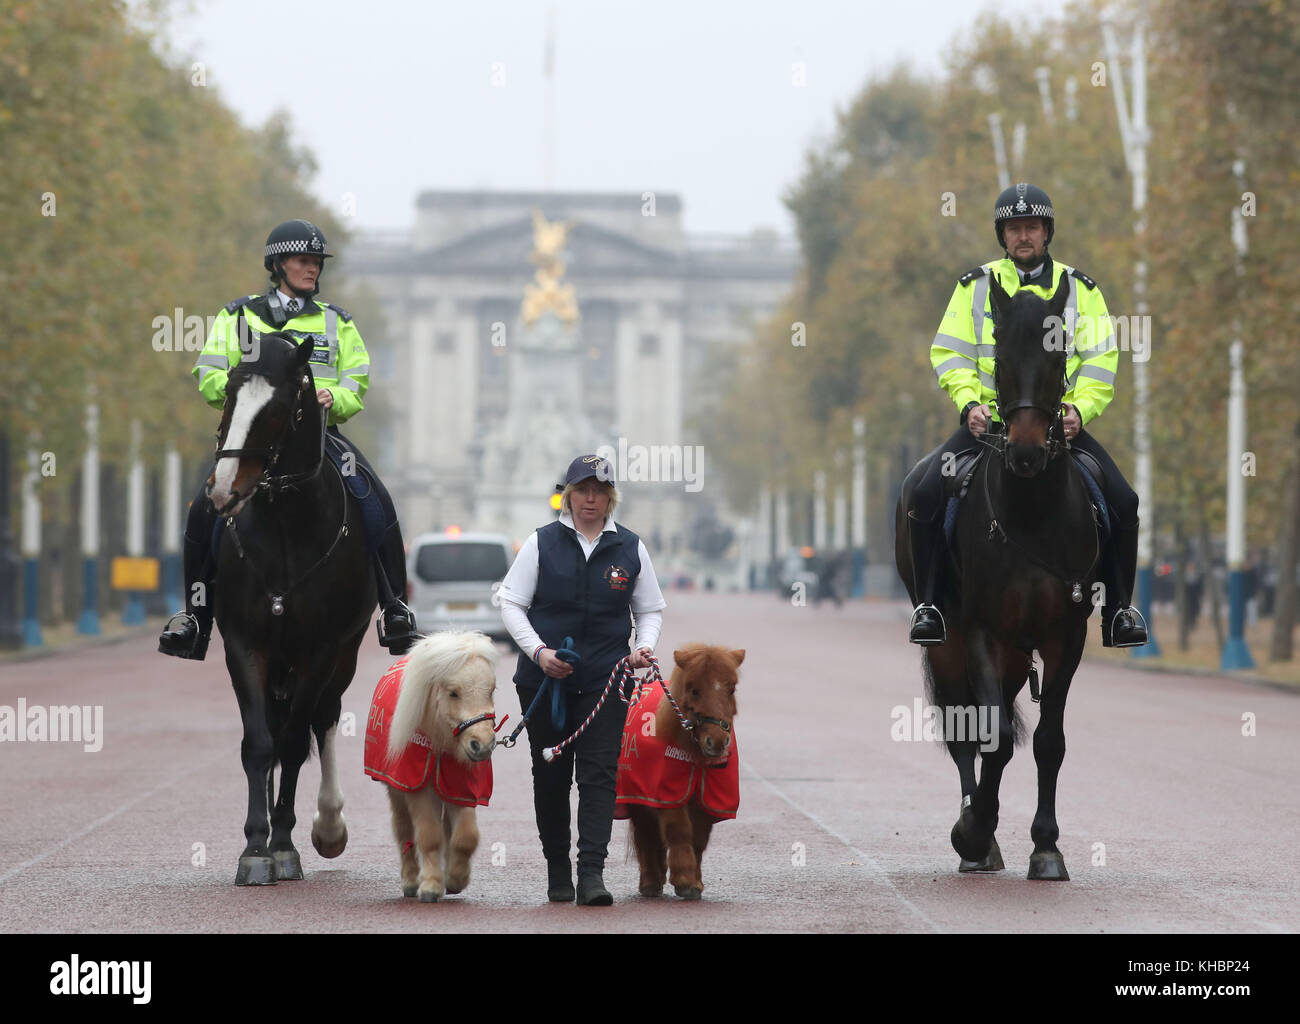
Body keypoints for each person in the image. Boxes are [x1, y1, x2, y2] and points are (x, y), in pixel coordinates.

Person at [158, 219, 416, 661]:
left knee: (375, 499)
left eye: (317, 262)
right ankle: (195, 616)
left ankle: (394, 609)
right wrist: (240, 390)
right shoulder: (238, 316)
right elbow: (210, 372)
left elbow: (357, 382)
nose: (312, 268)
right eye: (303, 261)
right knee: (205, 506)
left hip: (318, 436)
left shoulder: (338, 322)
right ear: (278, 265)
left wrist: (331, 397)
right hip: (253, 435)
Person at [904, 183, 1148, 649]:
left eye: (1031, 227)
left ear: (1046, 232)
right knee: (922, 491)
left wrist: (1079, 409)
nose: (1023, 236)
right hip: (989, 428)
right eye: (1014, 228)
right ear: (1003, 235)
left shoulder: (1082, 291)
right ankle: (929, 605)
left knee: (1124, 500)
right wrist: (970, 403)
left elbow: (1100, 360)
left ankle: (1118, 611)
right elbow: (950, 353)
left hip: (1058, 430)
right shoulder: (973, 288)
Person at [498, 454, 667, 905]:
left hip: (606, 681)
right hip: (543, 683)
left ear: (611, 497)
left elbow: (649, 610)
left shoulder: (631, 548)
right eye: (582, 490)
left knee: (598, 777)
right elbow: (511, 604)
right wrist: (539, 653)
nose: (590, 499)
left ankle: (592, 874)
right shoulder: (540, 543)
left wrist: (643, 647)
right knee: (551, 778)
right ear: (568, 494)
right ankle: (558, 871)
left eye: (600, 491)